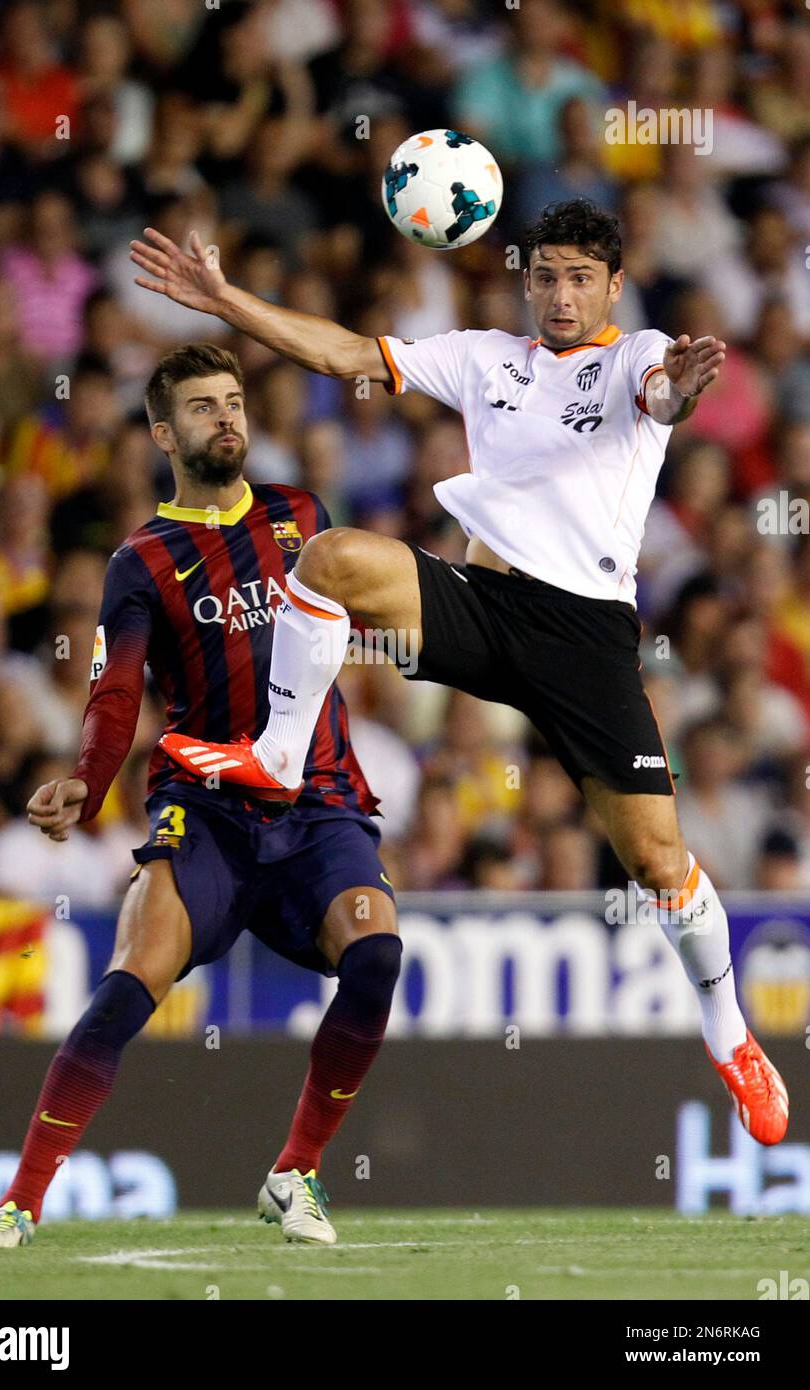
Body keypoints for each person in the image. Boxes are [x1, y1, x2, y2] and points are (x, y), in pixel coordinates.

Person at [128, 197, 789, 1147]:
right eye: (545, 277)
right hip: (482, 608)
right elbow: (349, 354)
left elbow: (663, 398)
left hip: (584, 637)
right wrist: (227, 300)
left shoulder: (635, 353)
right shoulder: (486, 358)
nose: (560, 296)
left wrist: (680, 388)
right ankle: (277, 753)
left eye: (579, 279)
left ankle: (727, 1028)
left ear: (611, 283)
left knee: (655, 861)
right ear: (528, 281)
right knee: (329, 559)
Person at [0, 342, 400, 1251]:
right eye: (203, 407)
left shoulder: (301, 518)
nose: (227, 418)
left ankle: (297, 1173)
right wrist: (85, 781)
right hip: (205, 807)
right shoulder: (142, 561)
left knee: (377, 956)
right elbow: (116, 690)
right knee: (130, 984)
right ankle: (22, 1201)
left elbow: (384, 610)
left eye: (235, 401)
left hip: (318, 800)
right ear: (164, 432)